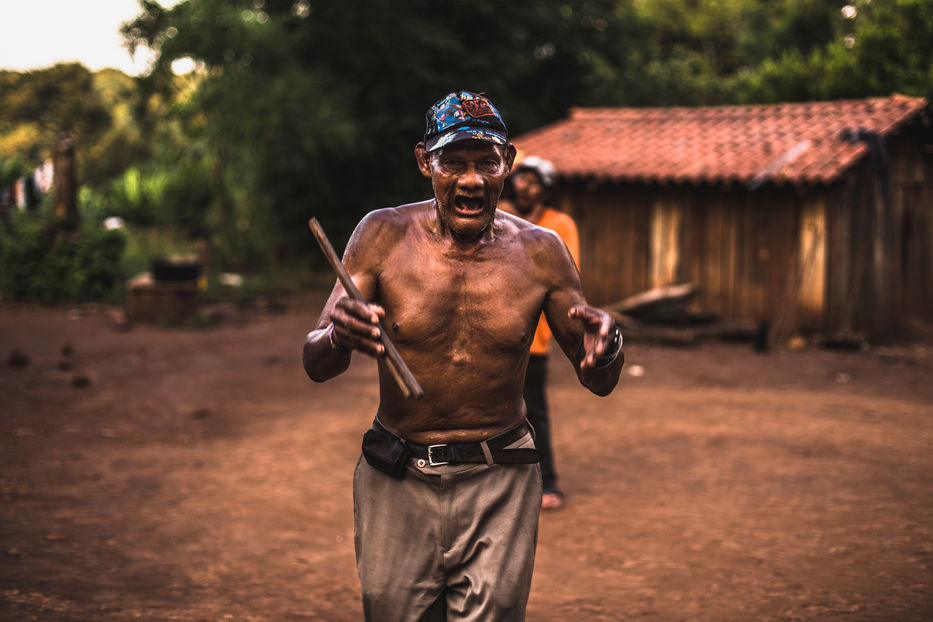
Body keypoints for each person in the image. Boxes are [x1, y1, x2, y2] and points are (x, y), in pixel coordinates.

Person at [302, 90, 623, 621]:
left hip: (503, 476)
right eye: (453, 162)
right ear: (425, 162)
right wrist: (338, 335)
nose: (471, 180)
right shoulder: (382, 234)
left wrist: (607, 349)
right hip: (397, 473)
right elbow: (316, 363)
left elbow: (600, 377)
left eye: (486, 162)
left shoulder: (543, 251)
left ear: (508, 165)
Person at [499, 156, 579, 510]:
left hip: (535, 338)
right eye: (521, 180)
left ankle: (548, 481)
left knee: (534, 413)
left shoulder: (559, 224)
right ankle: (499, 483)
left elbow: (563, 276)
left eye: (532, 182)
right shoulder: (500, 214)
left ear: (545, 189)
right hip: (493, 336)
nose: (523, 186)